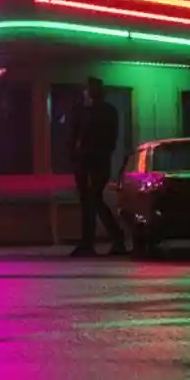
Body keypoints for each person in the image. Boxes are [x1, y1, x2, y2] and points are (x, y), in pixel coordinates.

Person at [69, 76, 126, 256]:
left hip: (90, 159)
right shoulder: (107, 111)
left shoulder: (85, 111)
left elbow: (75, 135)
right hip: (94, 159)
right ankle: (109, 239)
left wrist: (75, 153)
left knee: (91, 199)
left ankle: (94, 241)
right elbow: (111, 139)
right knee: (93, 199)